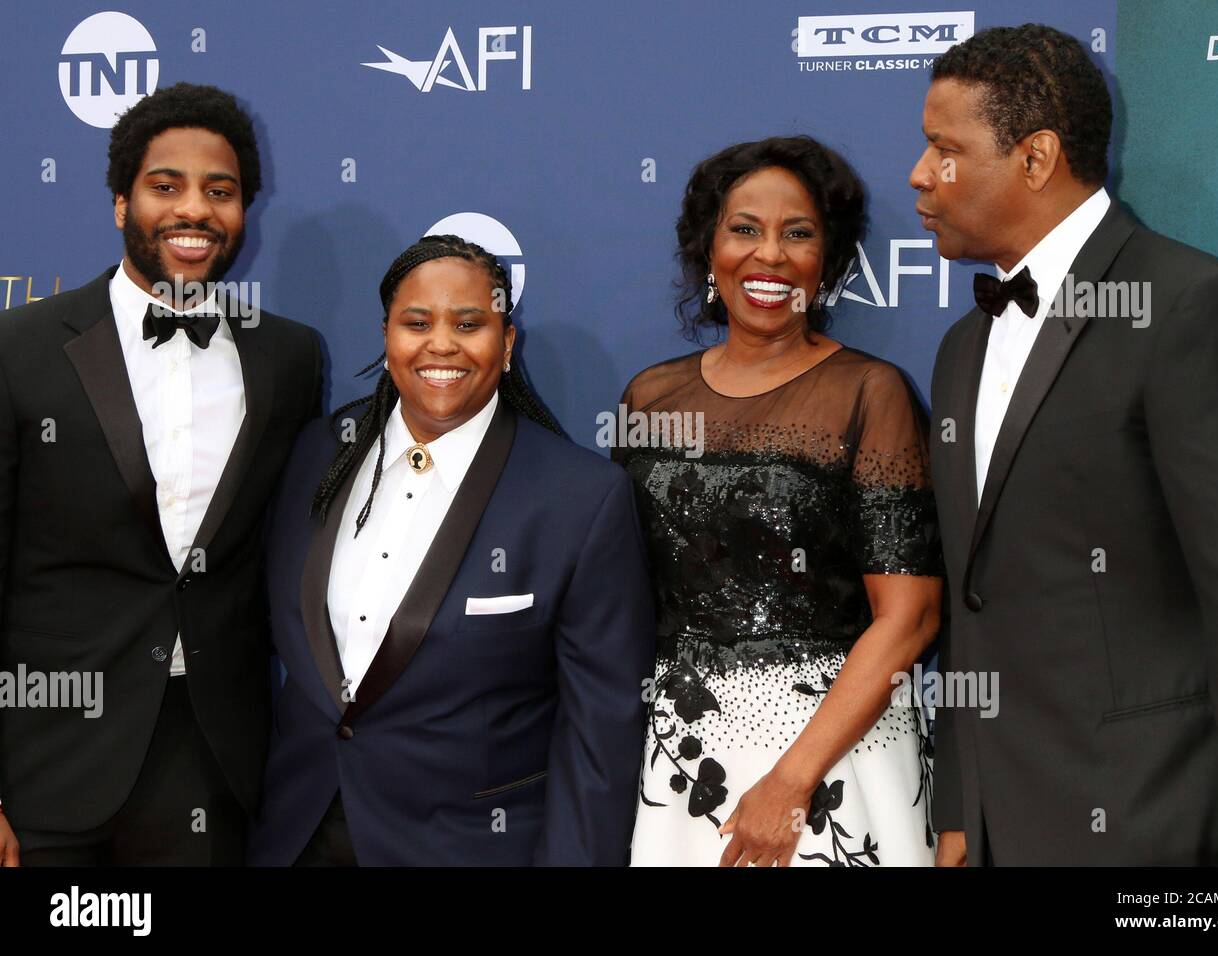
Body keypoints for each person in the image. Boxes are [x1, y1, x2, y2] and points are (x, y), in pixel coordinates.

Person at [913, 24, 1218, 866]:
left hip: (1152, 823)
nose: (920, 174)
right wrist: (957, 809)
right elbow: (974, 604)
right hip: (993, 827)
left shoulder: (1195, 309)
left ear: (1036, 157)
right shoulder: (960, 350)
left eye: (945, 149)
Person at [247, 235, 655, 866]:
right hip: (299, 835)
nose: (442, 344)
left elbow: (599, 734)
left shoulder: (581, 498)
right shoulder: (317, 453)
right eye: (417, 323)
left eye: (470, 324)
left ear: (508, 343)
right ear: (386, 338)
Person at [0, 83, 322, 865]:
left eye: (221, 191)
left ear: (246, 209)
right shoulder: (22, 347)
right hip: (47, 759)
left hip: (209, 759)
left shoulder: (287, 357)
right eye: (165, 185)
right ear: (120, 204)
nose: (195, 211)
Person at [618, 136, 944, 867]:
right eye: (744, 229)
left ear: (826, 263)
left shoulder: (871, 392)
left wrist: (793, 780)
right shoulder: (649, 396)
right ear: (708, 250)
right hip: (681, 752)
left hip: (836, 760)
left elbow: (911, 616)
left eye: (797, 234)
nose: (769, 255)